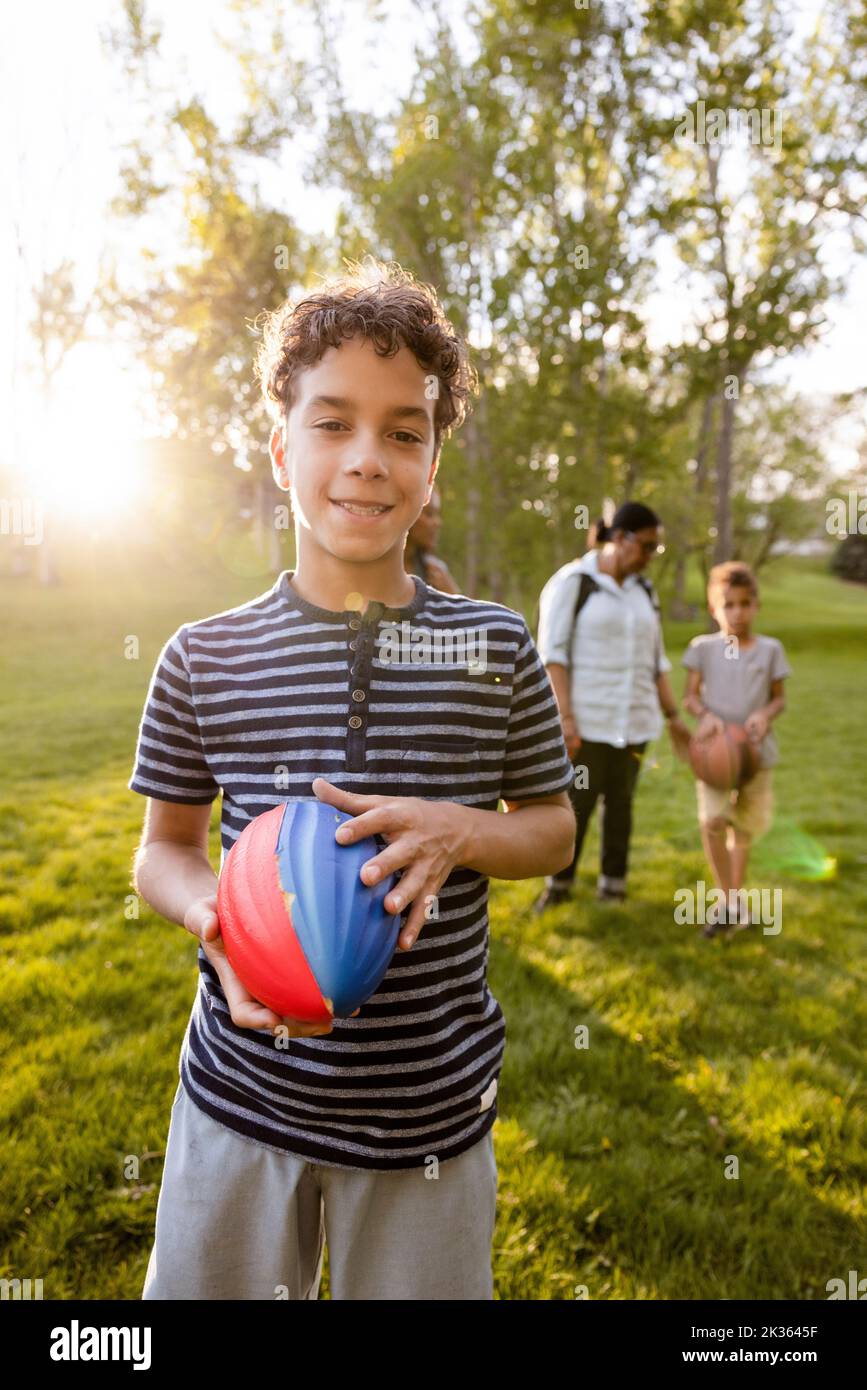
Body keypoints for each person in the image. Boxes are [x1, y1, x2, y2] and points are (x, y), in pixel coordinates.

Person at [128, 260, 576, 1301]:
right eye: (333, 424)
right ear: (282, 449)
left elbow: (551, 829)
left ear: (434, 467)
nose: (368, 461)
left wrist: (461, 829)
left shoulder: (495, 645)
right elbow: (165, 851)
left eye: (404, 431)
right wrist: (216, 921)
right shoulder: (205, 656)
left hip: (429, 1119)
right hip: (240, 1105)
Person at [534, 501, 691, 911]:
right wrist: (564, 719)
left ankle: (613, 886)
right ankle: (559, 885)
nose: (651, 556)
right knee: (577, 804)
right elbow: (554, 655)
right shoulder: (574, 582)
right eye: (647, 546)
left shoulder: (645, 591)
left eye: (657, 548)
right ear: (620, 538)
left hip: (635, 720)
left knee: (622, 803)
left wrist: (673, 717)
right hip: (588, 720)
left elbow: (657, 660)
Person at [682, 561, 789, 938]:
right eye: (728, 604)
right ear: (714, 608)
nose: (737, 612)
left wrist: (764, 714)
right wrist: (705, 715)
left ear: (756, 605)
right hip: (715, 756)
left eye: (745, 603)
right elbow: (690, 698)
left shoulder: (770, 650)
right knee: (712, 822)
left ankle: (730, 903)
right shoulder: (703, 648)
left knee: (742, 829)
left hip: (757, 756)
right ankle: (729, 901)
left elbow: (779, 700)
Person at [404, 482, 460, 592]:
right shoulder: (374, 567)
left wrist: (451, 595)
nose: (438, 523)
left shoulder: (435, 572)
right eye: (429, 514)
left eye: (437, 514)